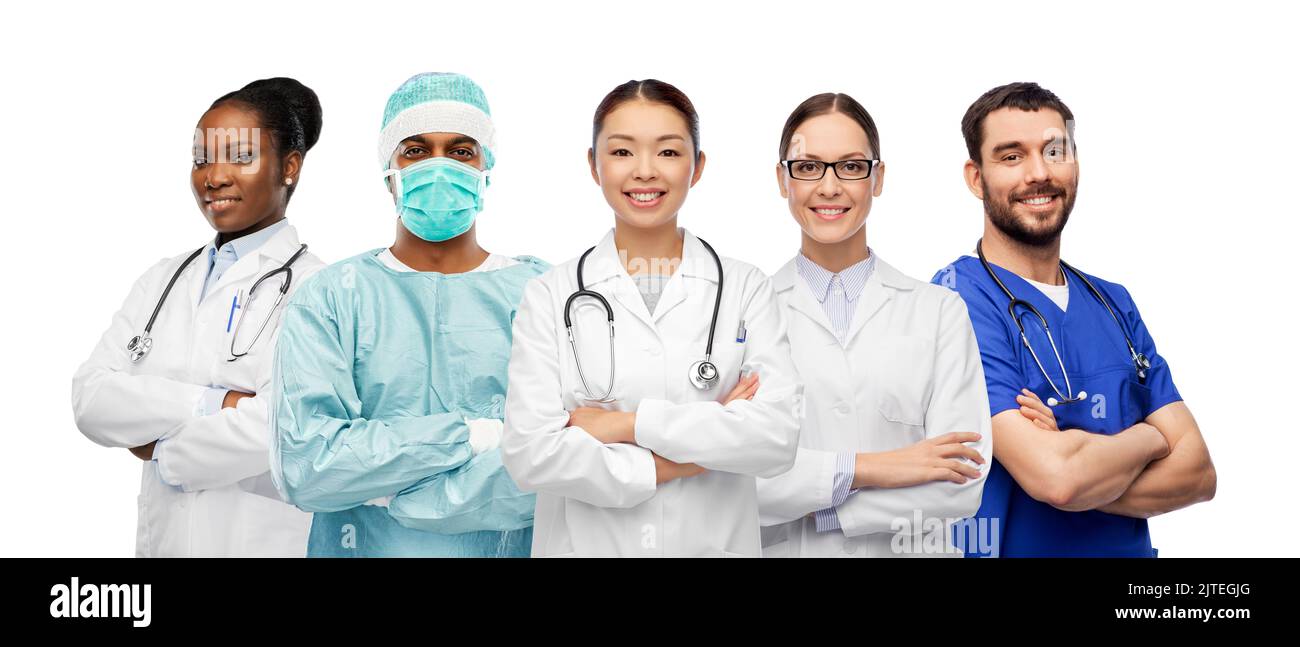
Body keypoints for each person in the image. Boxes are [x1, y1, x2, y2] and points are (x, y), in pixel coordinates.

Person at [501, 79, 802, 557]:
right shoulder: (550, 296)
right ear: (594, 165)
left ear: (697, 166)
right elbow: (531, 456)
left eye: (667, 152)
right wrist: (694, 450)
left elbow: (774, 440)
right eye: (622, 152)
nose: (644, 172)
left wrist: (625, 425)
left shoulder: (745, 288)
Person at [932, 82, 1216, 557]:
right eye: (1011, 156)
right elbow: (1058, 479)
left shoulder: (1112, 302)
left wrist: (1077, 457)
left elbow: (1199, 473)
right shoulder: (955, 301)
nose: (1038, 173)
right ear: (976, 177)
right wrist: (1149, 437)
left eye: (1054, 151)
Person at [271, 73, 548, 557]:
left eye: (461, 151)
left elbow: (558, 460)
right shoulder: (332, 299)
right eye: (416, 150)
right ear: (388, 170)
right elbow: (308, 467)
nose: (439, 167)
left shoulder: (540, 294)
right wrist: (478, 435)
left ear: (487, 167)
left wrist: (392, 489)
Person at [72, 77, 327, 557]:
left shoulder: (321, 290)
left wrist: (162, 447)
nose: (214, 176)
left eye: (241, 157)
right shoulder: (163, 279)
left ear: (289, 167)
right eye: (201, 158)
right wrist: (215, 403)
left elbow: (282, 427)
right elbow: (91, 399)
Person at [756, 93, 990, 557]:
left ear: (877, 177)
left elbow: (964, 479)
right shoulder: (746, 315)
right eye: (808, 167)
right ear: (783, 180)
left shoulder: (939, 311)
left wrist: (826, 507)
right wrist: (880, 467)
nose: (829, 187)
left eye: (851, 166)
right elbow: (738, 483)